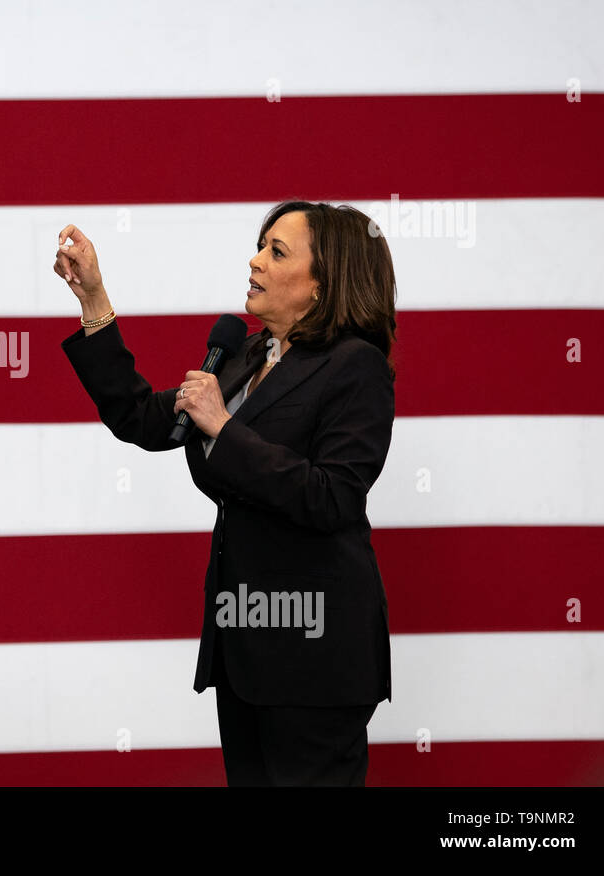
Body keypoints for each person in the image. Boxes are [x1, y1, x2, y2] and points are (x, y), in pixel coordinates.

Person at [55, 200, 397, 786]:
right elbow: (140, 417)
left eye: (277, 252)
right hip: (245, 649)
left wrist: (226, 428)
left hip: (315, 658)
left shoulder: (355, 368)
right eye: (260, 246)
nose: (255, 261)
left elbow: (331, 497)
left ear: (323, 285)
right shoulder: (246, 357)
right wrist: (94, 301)